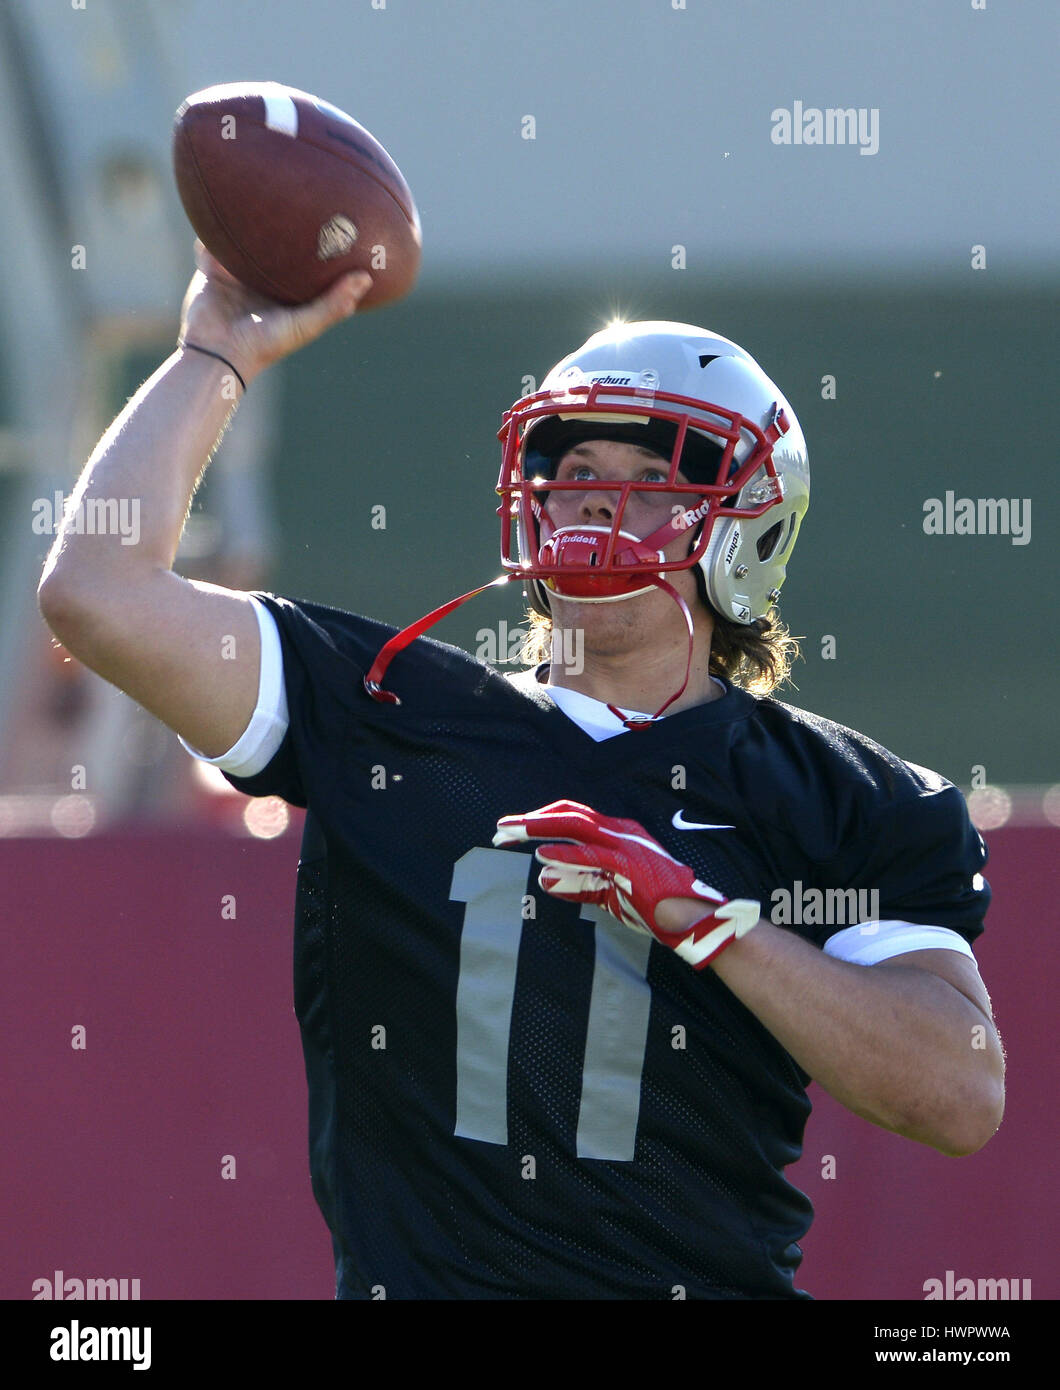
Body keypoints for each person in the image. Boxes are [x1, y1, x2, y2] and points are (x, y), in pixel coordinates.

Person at [38, 246, 1005, 1300]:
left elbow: (956, 1094)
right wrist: (211, 351)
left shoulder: (839, 795)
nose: (600, 507)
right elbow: (96, 591)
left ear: (746, 527)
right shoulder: (386, 711)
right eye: (577, 474)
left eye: (651, 482)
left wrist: (714, 924)